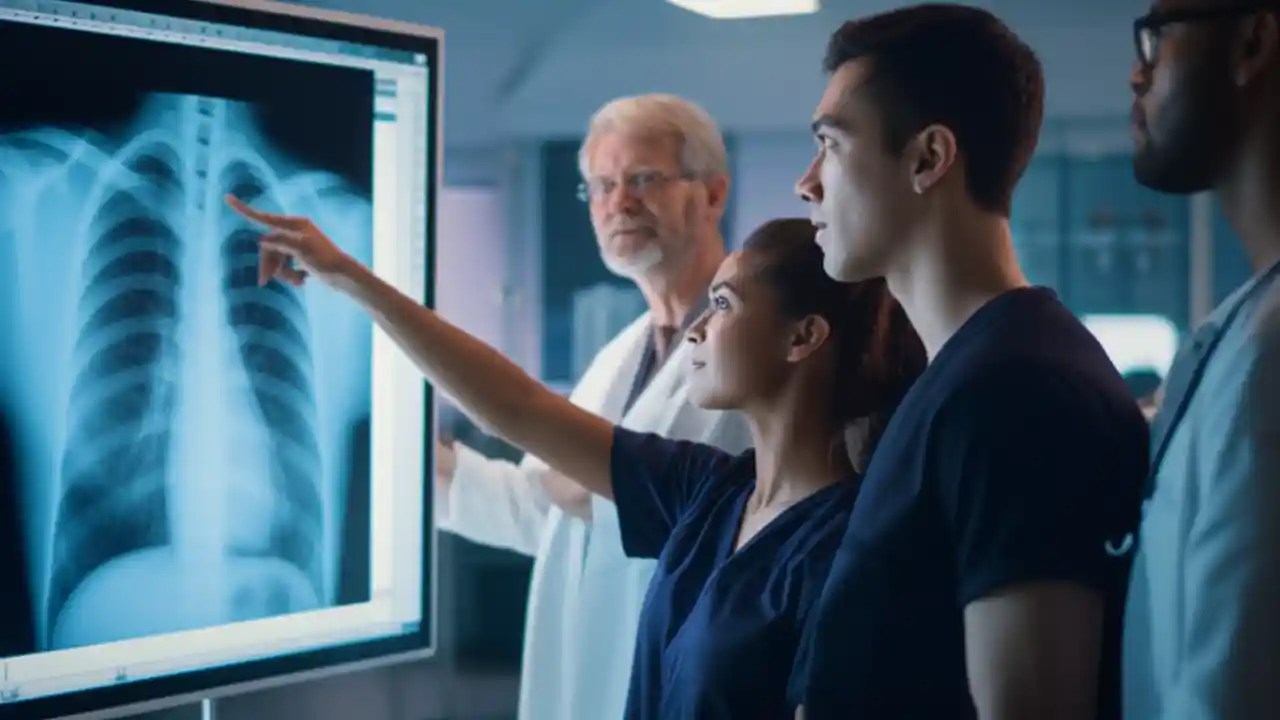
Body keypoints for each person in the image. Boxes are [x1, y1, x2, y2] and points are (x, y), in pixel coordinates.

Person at [223, 197, 925, 718]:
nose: (698, 332)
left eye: (723, 304)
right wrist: (351, 279)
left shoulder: (844, 556)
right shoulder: (706, 491)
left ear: (802, 337)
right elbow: (519, 408)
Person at [788, 5, 1149, 719]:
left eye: (830, 145)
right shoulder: (960, 378)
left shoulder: (1019, 394)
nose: (808, 183)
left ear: (928, 158)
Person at [431, 94, 752, 719]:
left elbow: (637, 500)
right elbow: (543, 511)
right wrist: (426, 467)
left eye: (643, 180)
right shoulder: (617, 356)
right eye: (601, 186)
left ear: (713, 194)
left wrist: (583, 488)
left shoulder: (757, 346)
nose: (618, 204)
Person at [1124, 2, 1280, 717]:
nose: (1137, 73)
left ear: (1251, 42)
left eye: (1156, 39)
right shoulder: (1240, 328)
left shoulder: (1266, 357)